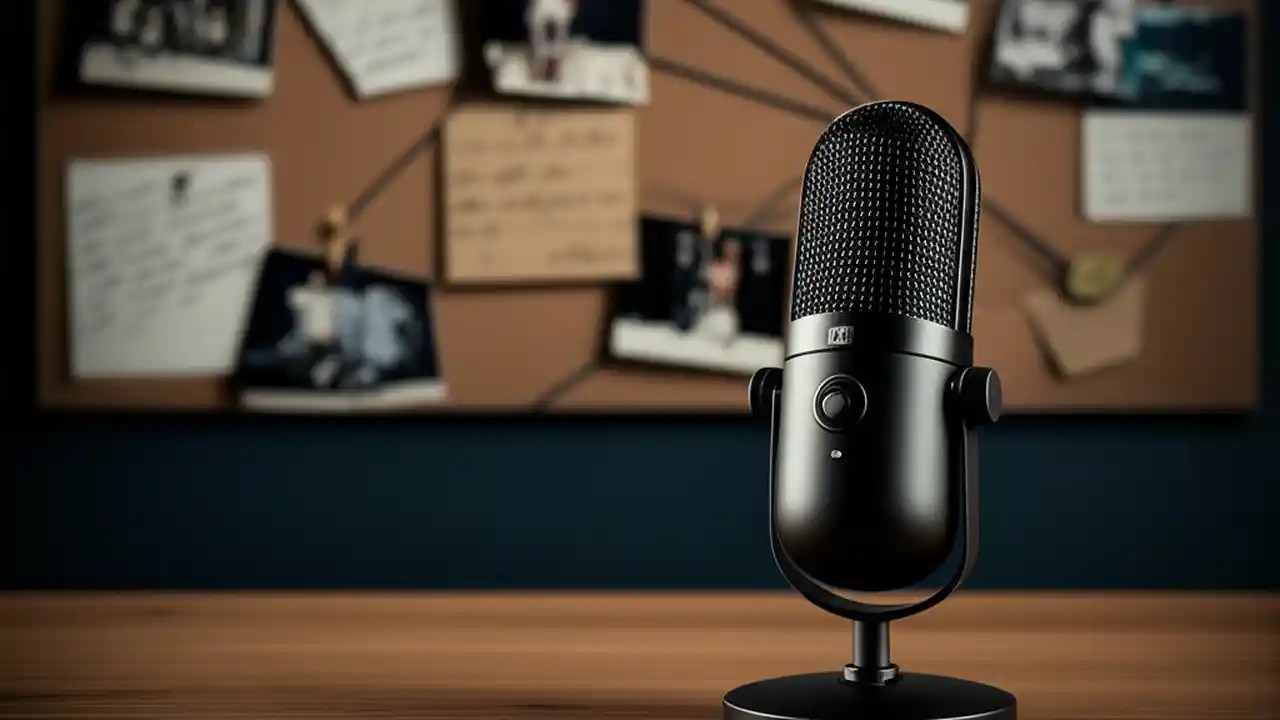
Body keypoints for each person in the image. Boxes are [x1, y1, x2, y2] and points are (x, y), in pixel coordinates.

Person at [693, 238, 743, 347]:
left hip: (724, 313)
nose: (733, 255)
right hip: (709, 311)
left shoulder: (735, 272)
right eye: (730, 251)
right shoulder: (715, 267)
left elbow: (726, 289)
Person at [525, 0, 578, 82]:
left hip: (556, 9)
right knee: (541, 23)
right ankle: (543, 67)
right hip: (544, 10)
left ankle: (550, 67)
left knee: (556, 28)